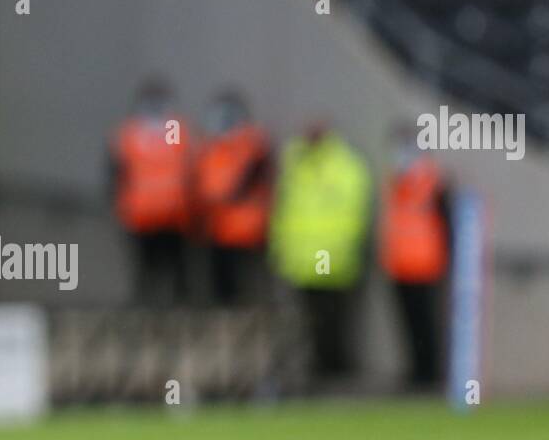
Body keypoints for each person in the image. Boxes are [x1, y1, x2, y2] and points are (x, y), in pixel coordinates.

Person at [268, 121, 371, 381]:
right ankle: (317, 373)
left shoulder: (344, 165)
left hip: (333, 260)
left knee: (335, 321)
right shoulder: (294, 163)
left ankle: (336, 373)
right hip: (301, 261)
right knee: (308, 323)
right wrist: (280, 251)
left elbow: (353, 214)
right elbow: (283, 213)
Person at [378, 125, 450, 388]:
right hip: (399, 263)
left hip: (425, 263)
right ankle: (416, 371)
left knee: (426, 322)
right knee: (407, 323)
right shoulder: (394, 183)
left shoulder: (433, 181)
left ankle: (430, 374)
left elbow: (447, 223)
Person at [109, 78, 192, 305]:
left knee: (174, 268)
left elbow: (179, 160)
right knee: (147, 269)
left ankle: (176, 308)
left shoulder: (170, 127)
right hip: (142, 212)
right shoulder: (131, 132)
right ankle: (148, 308)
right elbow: (118, 170)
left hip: (170, 211)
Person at [191, 89, 273, 304]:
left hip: (245, 225)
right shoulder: (208, 145)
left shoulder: (252, 141)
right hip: (217, 225)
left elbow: (251, 177)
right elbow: (199, 181)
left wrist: (227, 197)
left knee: (246, 283)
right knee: (222, 281)